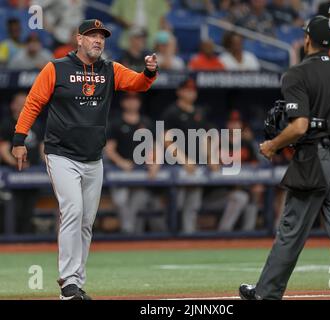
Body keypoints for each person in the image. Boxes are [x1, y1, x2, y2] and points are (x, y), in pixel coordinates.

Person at [11, 19, 158, 300]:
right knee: (73, 211)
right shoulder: (56, 68)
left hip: (93, 158)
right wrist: (19, 140)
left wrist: (149, 72)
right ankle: (68, 282)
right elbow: (33, 103)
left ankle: (76, 282)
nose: (98, 40)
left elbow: (139, 85)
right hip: (61, 154)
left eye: (102, 36)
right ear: (78, 39)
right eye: (92, 35)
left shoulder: (110, 69)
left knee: (87, 221)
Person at [239, 15, 330, 300]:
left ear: (308, 39)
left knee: (292, 229)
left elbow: (299, 126)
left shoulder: (297, 74)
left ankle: (266, 293)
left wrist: (273, 145)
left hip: (314, 159)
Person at [105, 93, 166, 234]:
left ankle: (128, 232)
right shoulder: (116, 123)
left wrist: (156, 163)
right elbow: (109, 149)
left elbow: (156, 146)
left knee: (138, 200)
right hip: (120, 171)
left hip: (141, 170)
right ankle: (129, 232)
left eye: (135, 99)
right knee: (120, 200)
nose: (132, 103)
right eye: (129, 99)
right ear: (123, 103)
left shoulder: (146, 122)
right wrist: (121, 162)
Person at [162, 78, 212, 233]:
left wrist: (211, 157)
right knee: (176, 204)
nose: (190, 93)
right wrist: (183, 161)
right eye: (187, 90)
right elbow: (166, 140)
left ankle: (189, 238)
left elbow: (205, 137)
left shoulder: (198, 112)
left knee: (193, 205)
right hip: (176, 165)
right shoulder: (172, 112)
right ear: (179, 91)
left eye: (193, 90)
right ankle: (169, 237)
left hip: (196, 164)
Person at [0, 92, 44, 234]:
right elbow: (3, 149)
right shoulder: (7, 124)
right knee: (15, 208)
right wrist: (16, 163)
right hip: (13, 172)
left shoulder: (36, 123)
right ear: (12, 105)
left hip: (33, 172)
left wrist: (48, 163)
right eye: (19, 103)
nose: (21, 106)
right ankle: (13, 238)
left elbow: (42, 148)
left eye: (24, 103)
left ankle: (26, 239)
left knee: (29, 209)